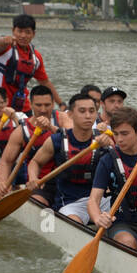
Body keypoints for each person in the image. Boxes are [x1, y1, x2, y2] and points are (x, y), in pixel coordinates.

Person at [26, 91, 113, 223]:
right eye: (82, 111)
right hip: (70, 203)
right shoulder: (57, 140)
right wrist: (33, 178)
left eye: (92, 111)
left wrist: (112, 145)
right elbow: (35, 162)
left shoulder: (103, 139)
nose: (88, 116)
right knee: (74, 222)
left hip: (101, 200)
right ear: (70, 114)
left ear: (97, 114)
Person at [88, 106, 137, 249]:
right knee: (127, 243)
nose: (119, 139)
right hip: (123, 222)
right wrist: (98, 218)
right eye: (115, 134)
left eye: (124, 133)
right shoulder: (107, 160)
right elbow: (93, 200)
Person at [0, 84, 60, 200]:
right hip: (37, 183)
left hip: (64, 181)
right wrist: (2, 183)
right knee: (38, 199)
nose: (43, 110)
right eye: (38, 105)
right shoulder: (21, 131)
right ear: (30, 105)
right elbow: (6, 161)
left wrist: (51, 127)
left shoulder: (63, 120)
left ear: (53, 104)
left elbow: (73, 138)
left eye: (47, 105)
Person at [0, 14, 53, 112]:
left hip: (23, 107)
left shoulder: (36, 57)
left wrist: (60, 103)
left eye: (27, 32)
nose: (23, 36)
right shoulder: (5, 49)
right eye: (19, 31)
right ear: (13, 31)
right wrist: (4, 40)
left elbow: (45, 82)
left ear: (33, 34)